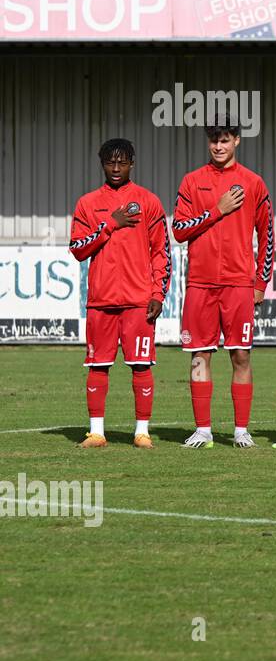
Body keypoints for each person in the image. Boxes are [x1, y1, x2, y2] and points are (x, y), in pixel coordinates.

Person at [172, 125, 274, 449]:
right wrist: (218, 210)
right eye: (214, 140)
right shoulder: (191, 181)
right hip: (201, 283)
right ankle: (203, 430)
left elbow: (267, 234)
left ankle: (241, 430)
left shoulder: (254, 182)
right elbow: (179, 229)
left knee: (241, 355)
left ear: (237, 141)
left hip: (238, 284)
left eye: (225, 140)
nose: (218, 146)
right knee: (199, 356)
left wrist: (260, 282)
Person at [69, 138, 171, 449]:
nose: (116, 168)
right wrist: (109, 224)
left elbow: (161, 252)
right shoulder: (87, 203)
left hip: (139, 301)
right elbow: (77, 249)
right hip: (101, 300)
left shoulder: (148, 201)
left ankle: (142, 432)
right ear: (101, 163)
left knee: (141, 365)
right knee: (97, 365)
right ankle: (96, 432)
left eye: (122, 162)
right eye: (110, 162)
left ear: (132, 163)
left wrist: (158, 293)